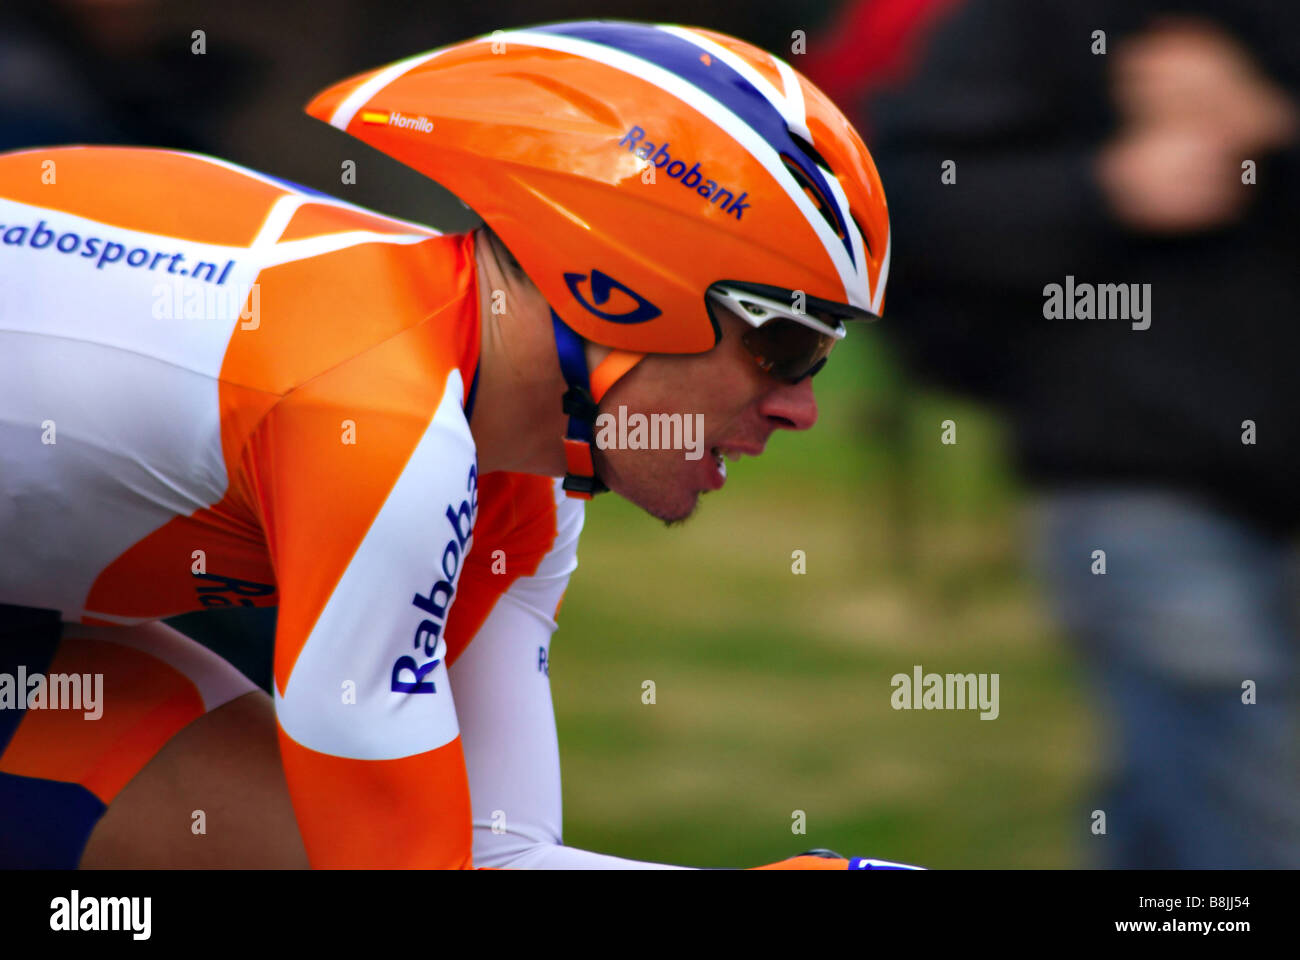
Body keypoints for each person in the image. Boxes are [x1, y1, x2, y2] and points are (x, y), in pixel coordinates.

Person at [0, 20, 913, 869]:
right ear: (617, 288)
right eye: (786, 343)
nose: (802, 408)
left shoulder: (523, 467)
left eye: (820, 359)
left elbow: (496, 851)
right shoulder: (381, 427)